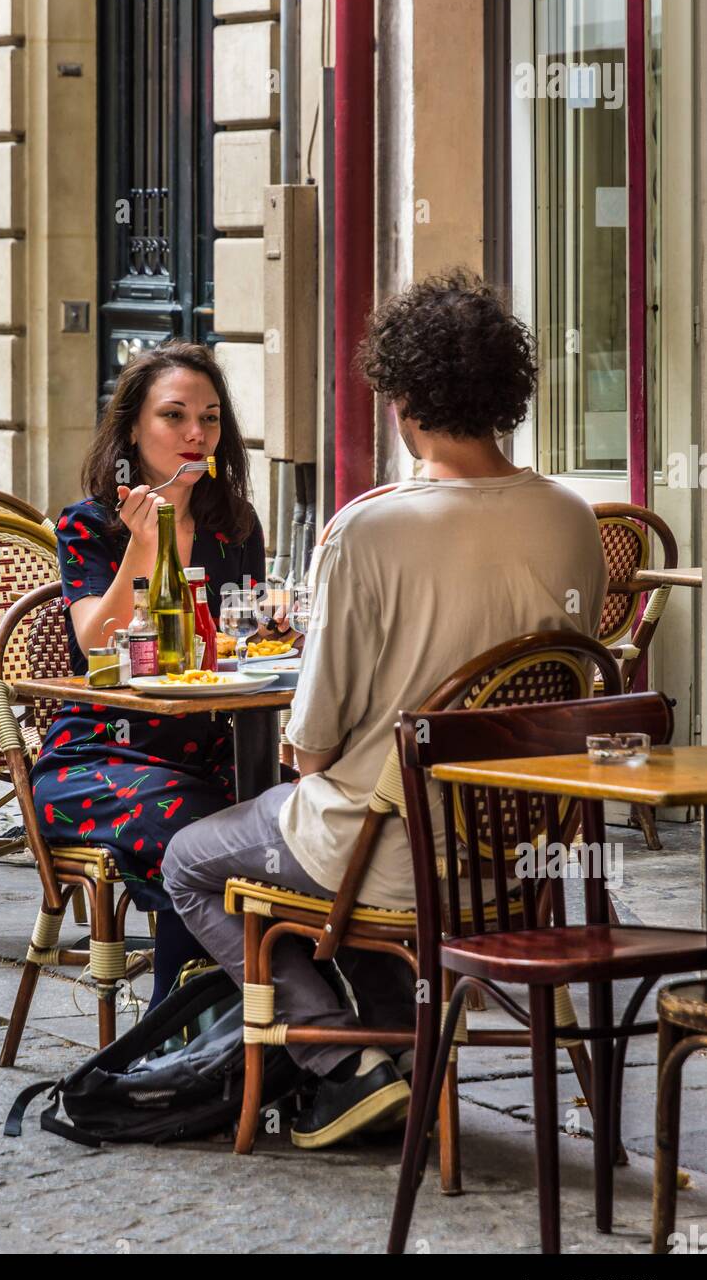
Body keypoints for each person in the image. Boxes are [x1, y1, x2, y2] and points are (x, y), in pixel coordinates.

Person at [163, 270, 610, 1149]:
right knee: (317, 827)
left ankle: (343, 1060)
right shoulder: (573, 518)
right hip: (520, 856)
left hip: (387, 856)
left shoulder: (370, 530)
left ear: (402, 397)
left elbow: (313, 746)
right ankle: (390, 1044)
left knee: (188, 860)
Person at [31, 340, 273, 1005]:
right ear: (132, 430)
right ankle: (185, 1028)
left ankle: (252, 1024)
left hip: (215, 750)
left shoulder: (235, 526)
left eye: (210, 418)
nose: (197, 433)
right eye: (174, 415)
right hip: (98, 756)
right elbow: (95, 644)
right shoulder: (91, 525)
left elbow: (241, 641)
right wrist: (146, 543)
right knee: (201, 835)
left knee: (300, 818)